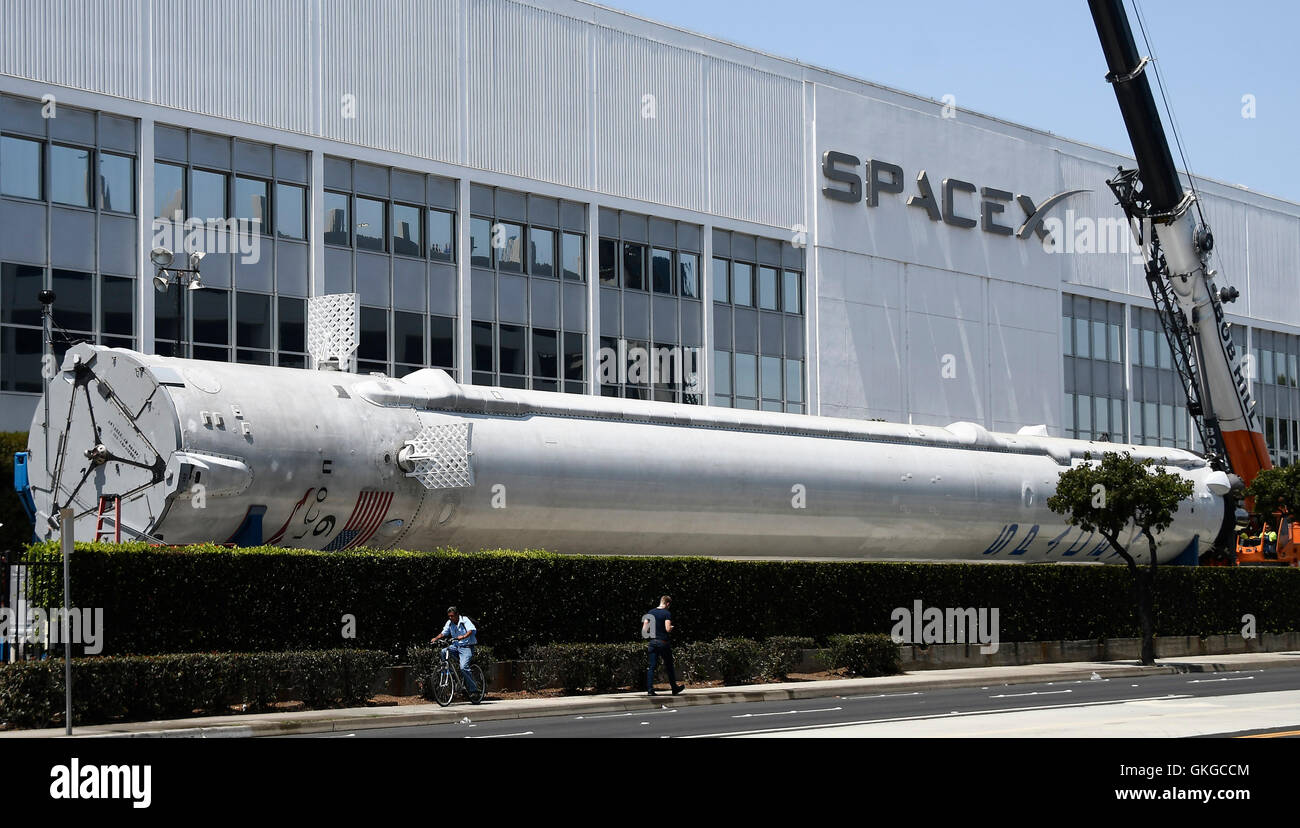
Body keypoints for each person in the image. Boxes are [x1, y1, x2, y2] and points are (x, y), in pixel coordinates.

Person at [431, 606, 479, 696]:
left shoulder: (465, 620)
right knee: (444, 651)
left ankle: (474, 690)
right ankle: (450, 674)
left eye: (452, 616)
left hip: (466, 647)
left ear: (457, 614)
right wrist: (436, 638)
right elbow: (444, 633)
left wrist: (463, 636)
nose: (450, 618)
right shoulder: (449, 623)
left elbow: (471, 630)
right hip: (456, 647)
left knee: (463, 668)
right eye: (449, 616)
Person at [643, 595, 685, 696]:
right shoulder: (667, 613)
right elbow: (667, 629)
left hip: (653, 642)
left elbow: (644, 629)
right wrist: (671, 627)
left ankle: (650, 690)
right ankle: (674, 688)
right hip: (663, 642)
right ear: (667, 603)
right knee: (669, 666)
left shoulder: (650, 612)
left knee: (652, 667)